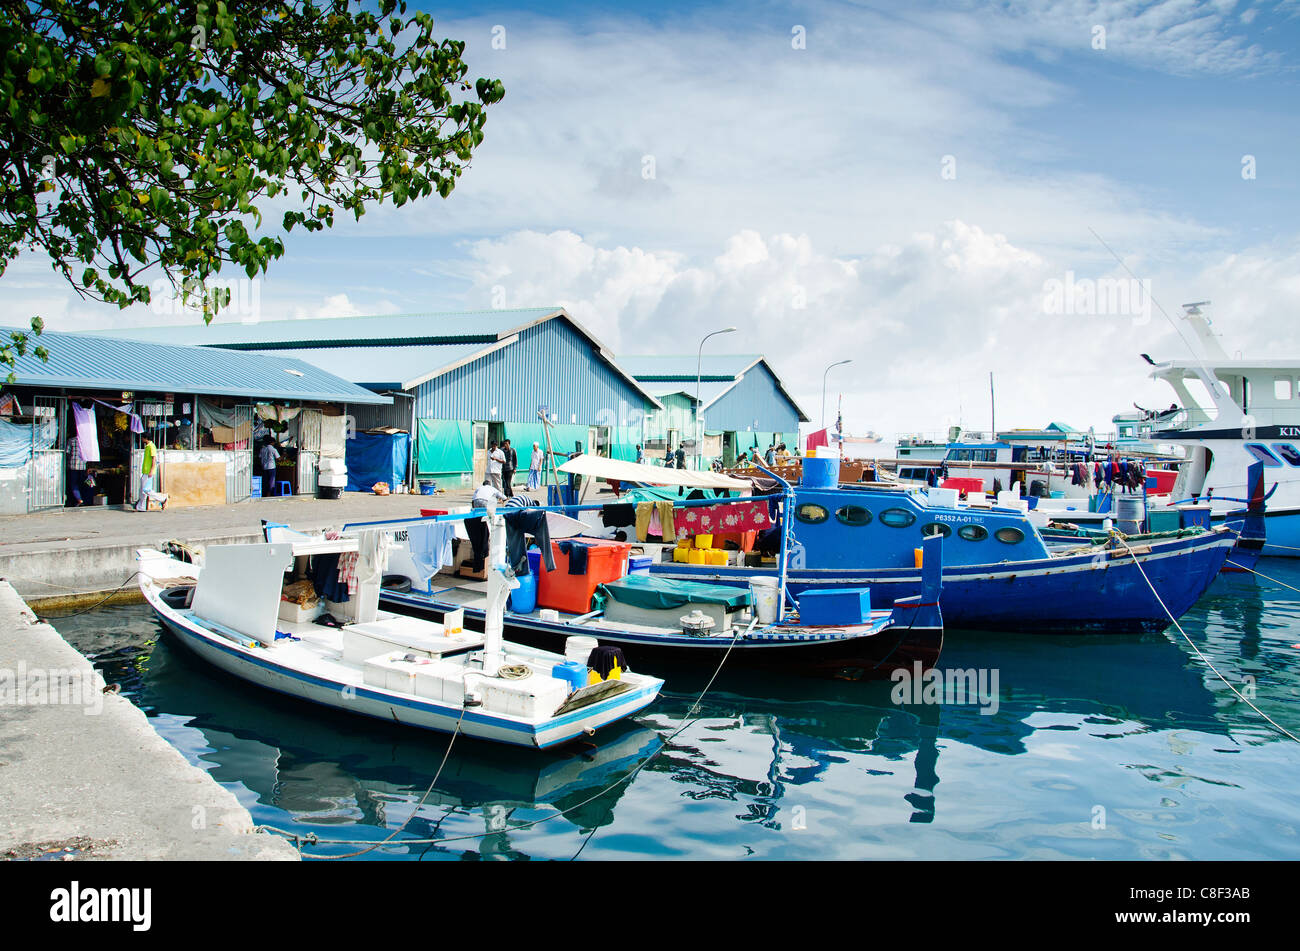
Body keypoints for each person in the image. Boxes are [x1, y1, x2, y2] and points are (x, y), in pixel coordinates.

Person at [136, 435, 168, 511]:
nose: (142, 439)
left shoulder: (151, 446)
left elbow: (154, 459)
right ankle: (141, 507)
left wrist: (151, 470)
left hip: (148, 471)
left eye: (143, 437)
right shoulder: (147, 446)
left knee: (146, 490)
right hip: (145, 471)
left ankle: (162, 499)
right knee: (142, 491)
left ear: (146, 438)